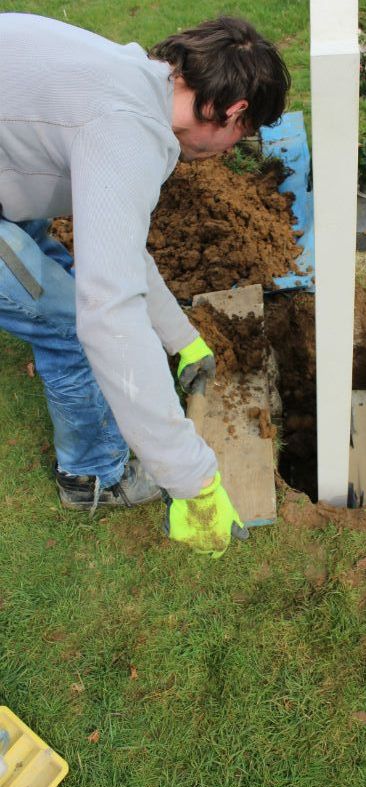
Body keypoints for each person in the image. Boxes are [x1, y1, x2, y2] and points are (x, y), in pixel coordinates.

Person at [0, 13, 290, 557]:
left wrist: (181, 339)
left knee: (57, 281)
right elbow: (107, 313)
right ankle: (91, 479)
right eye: (241, 136)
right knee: (68, 324)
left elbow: (119, 251)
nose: (231, 148)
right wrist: (192, 481)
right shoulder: (124, 131)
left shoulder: (135, 80)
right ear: (233, 111)